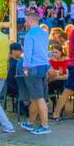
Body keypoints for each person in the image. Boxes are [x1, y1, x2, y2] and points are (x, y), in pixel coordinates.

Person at [18, 7, 52, 136]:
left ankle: (45, 125)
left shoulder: (29, 35)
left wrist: (25, 68)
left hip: (33, 67)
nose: (25, 23)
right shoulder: (44, 33)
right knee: (36, 97)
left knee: (38, 98)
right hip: (44, 65)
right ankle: (30, 122)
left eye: (26, 20)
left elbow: (27, 54)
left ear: (31, 20)